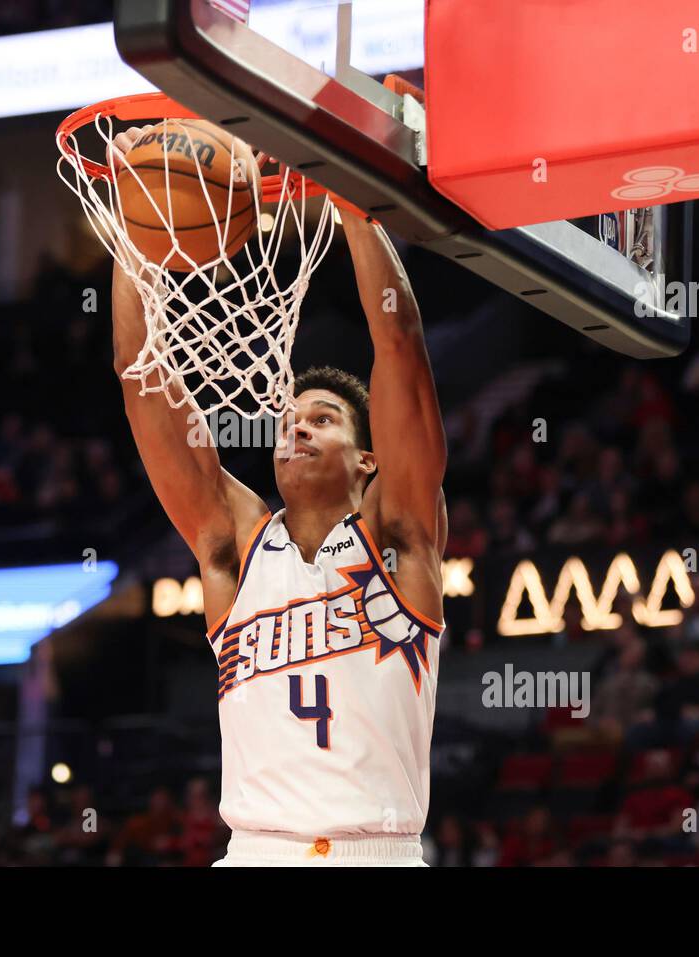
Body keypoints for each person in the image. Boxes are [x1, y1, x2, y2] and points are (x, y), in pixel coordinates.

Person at [109, 126, 447, 867]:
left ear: (367, 458)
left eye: (321, 419)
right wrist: (139, 237)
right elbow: (142, 381)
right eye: (289, 419)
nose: (295, 430)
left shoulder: (398, 536)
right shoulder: (234, 544)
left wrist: (346, 183)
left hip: (375, 853)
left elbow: (398, 340)